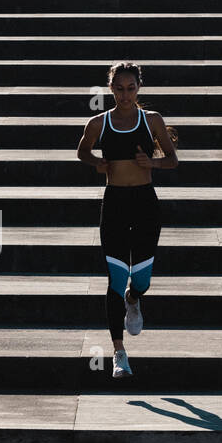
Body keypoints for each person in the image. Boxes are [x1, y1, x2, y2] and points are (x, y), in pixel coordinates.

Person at [76, 62, 179, 378]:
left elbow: (173, 159)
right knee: (115, 281)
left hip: (145, 203)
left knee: (142, 280)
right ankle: (120, 353)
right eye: (119, 88)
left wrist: (153, 162)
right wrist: (97, 161)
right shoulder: (98, 123)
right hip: (116, 204)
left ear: (138, 88)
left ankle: (134, 299)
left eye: (130, 88)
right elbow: (82, 152)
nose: (125, 94)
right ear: (111, 89)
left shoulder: (152, 121)